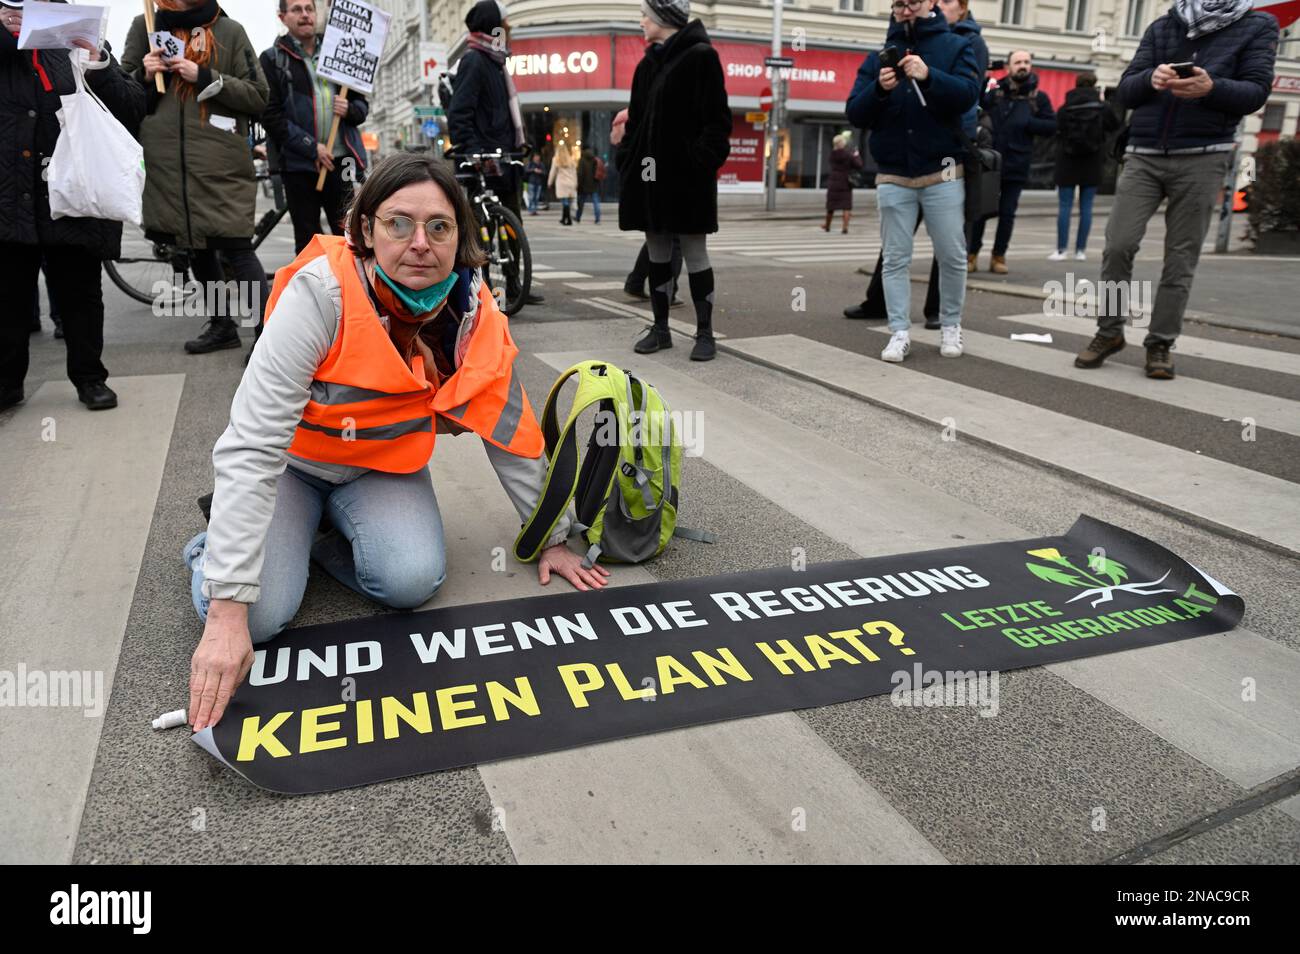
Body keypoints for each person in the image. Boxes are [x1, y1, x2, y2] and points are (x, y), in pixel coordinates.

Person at [183, 154, 610, 731]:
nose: (419, 244)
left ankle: (309, 534)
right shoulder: (320, 294)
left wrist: (553, 538)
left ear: (461, 236)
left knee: (410, 582)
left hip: (380, 469)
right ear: (364, 228)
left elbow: (509, 431)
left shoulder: (474, 311)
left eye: (439, 226)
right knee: (257, 619)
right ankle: (210, 547)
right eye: (397, 223)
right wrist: (228, 609)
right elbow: (253, 445)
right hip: (293, 467)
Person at [1074, 0, 1277, 380]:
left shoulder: (1257, 25)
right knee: (1118, 245)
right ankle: (1110, 330)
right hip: (1144, 153)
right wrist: (1150, 77)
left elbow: (1256, 91)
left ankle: (1160, 343)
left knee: (1180, 258)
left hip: (1204, 155)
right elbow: (1127, 91)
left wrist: (1210, 87)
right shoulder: (1165, 24)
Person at [1, 0, 145, 412]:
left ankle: (89, 377)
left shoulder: (76, 37)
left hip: (72, 193)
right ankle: (7, 382)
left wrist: (97, 60)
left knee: (80, 292)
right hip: (11, 193)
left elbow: (133, 105)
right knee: (8, 295)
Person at [122, 0, 270, 357]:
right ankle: (222, 325)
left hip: (220, 162)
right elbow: (120, 94)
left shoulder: (229, 31)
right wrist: (142, 73)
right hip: (168, 165)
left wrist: (204, 76)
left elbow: (258, 95)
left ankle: (268, 338)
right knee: (196, 246)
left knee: (237, 245)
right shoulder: (145, 26)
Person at [846, 0, 980, 363]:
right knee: (894, 259)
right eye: (898, 4)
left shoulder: (955, 45)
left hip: (943, 170)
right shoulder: (879, 57)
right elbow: (854, 112)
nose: (905, 10)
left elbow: (969, 94)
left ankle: (951, 324)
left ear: (930, 3)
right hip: (892, 172)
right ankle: (899, 332)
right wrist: (878, 89)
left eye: (912, 3)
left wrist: (930, 75)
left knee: (952, 255)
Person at [618, 0, 731, 361]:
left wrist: (699, 163)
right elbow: (635, 123)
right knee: (657, 254)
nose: (640, 22)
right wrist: (627, 161)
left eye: (644, 15)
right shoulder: (646, 65)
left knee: (695, 253)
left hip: (688, 181)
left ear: (662, 19)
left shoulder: (701, 57)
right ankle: (661, 328)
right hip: (650, 182)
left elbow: (717, 123)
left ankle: (705, 333)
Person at [446, 0, 542, 304]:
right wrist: (473, 151)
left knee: (512, 225)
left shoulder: (497, 62)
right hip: (482, 162)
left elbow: (503, 115)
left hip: (503, 160)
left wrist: (520, 145)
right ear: (493, 27)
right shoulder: (474, 61)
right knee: (480, 232)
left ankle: (513, 287)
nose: (509, 28)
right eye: (505, 23)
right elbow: (460, 113)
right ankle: (480, 295)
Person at [260, 0, 369, 255]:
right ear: (283, 17)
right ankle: (310, 293)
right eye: (297, 10)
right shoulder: (272, 59)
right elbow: (271, 115)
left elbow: (362, 107)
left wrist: (350, 109)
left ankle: (347, 291)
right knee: (307, 238)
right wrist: (312, 148)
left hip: (341, 161)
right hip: (298, 165)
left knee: (347, 235)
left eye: (309, 9)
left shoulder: (340, 52)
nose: (305, 15)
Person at [969, 49, 1055, 274]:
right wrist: (984, 76)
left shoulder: (1038, 97)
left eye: (1027, 62)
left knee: (1007, 214)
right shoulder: (996, 90)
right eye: (1018, 62)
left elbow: (1052, 127)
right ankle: (971, 253)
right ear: (1009, 67)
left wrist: (1029, 123)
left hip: (1017, 164)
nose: (1023, 66)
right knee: (980, 212)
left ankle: (998, 256)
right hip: (990, 163)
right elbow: (976, 104)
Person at [1051, 72, 1119, 261]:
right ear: (1095, 85)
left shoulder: (1066, 107)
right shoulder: (1101, 107)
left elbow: (1057, 130)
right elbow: (1115, 125)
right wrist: (1104, 101)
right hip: (1093, 159)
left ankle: (1061, 250)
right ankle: (1080, 250)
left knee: (1064, 205)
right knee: (1086, 207)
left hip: (1067, 159)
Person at [823, 132, 863, 234]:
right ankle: (845, 227)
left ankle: (827, 225)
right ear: (843, 143)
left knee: (831, 206)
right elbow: (858, 165)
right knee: (846, 206)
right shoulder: (848, 155)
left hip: (833, 181)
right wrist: (856, 155)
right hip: (845, 181)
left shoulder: (832, 155)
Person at [549, 144, 578, 225]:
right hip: (571, 182)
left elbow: (553, 172)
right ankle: (563, 218)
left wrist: (549, 182)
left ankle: (568, 219)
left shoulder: (556, 160)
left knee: (565, 202)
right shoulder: (571, 160)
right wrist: (575, 183)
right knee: (567, 202)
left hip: (562, 182)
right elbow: (574, 173)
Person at [575, 146, 601, 223]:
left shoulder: (582, 160)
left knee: (581, 203)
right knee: (596, 202)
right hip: (594, 184)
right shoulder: (595, 159)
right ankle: (598, 218)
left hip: (584, 185)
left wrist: (579, 184)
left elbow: (580, 174)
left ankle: (578, 217)